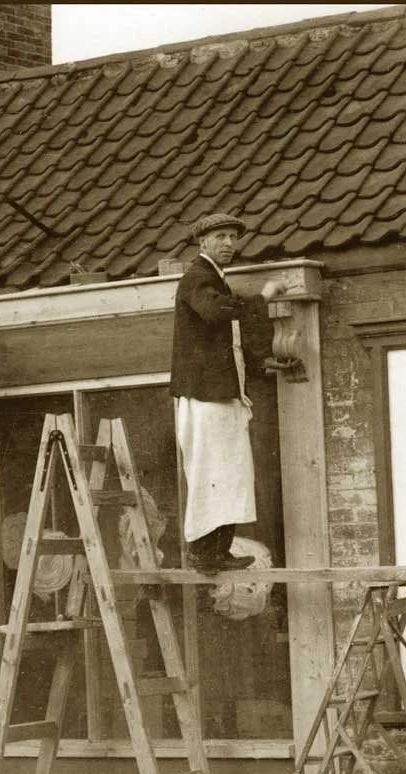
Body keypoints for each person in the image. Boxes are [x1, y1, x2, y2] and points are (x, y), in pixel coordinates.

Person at [170, 211, 273, 576]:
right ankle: (203, 552)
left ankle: (218, 550)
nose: (229, 244)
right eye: (221, 237)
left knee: (230, 472)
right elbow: (215, 313)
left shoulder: (216, 280)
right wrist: (262, 298)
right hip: (204, 395)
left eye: (233, 237)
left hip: (221, 393)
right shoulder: (197, 278)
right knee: (212, 470)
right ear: (203, 242)